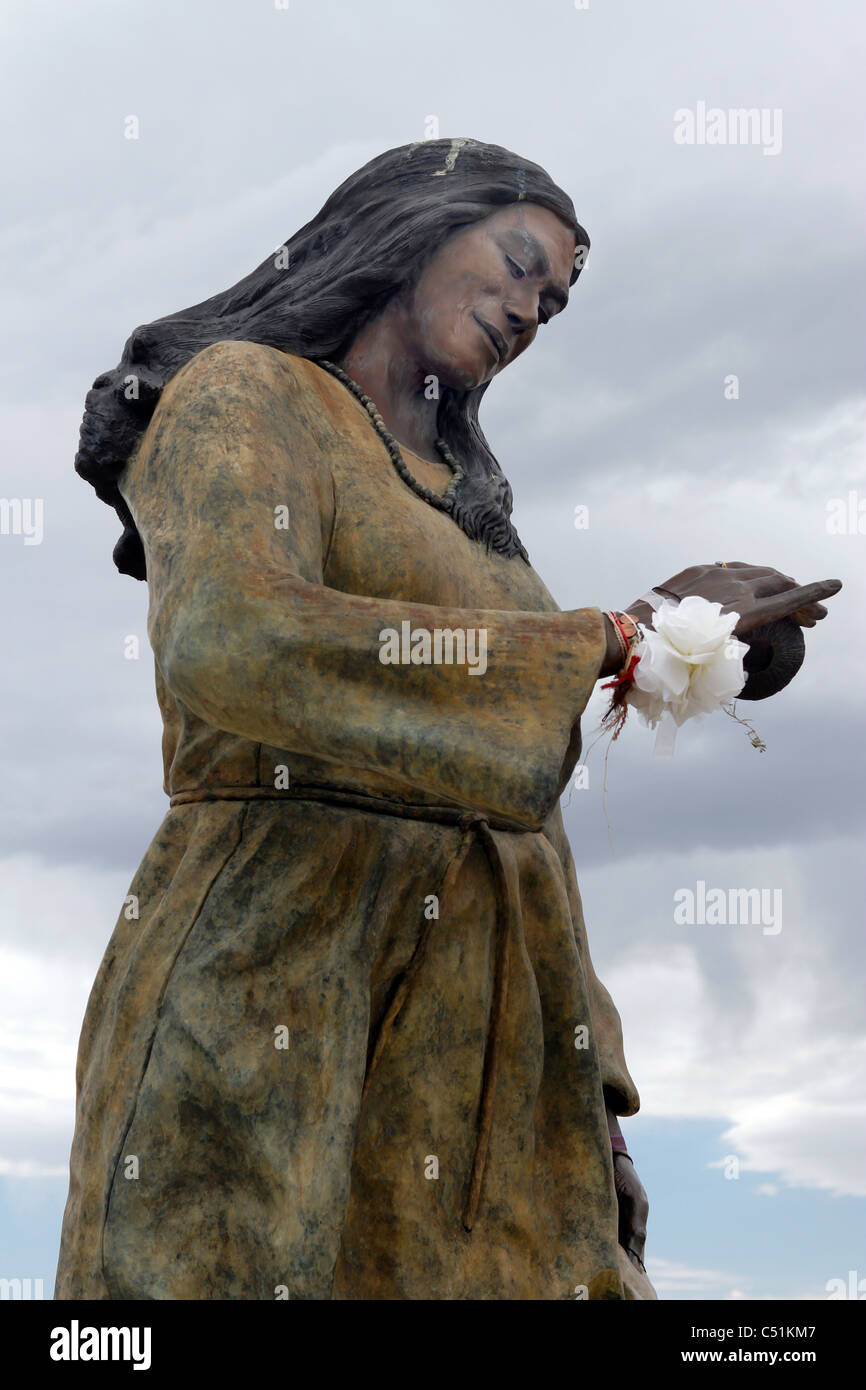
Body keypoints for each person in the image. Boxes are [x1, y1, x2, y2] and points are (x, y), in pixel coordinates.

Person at [55, 137, 838, 1301]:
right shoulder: (245, 394)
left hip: (490, 1038)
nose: (532, 308)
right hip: (280, 968)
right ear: (409, 229)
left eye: (555, 303)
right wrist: (604, 639)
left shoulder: (474, 509)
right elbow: (233, 639)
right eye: (519, 263)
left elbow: (518, 809)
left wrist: (595, 1105)